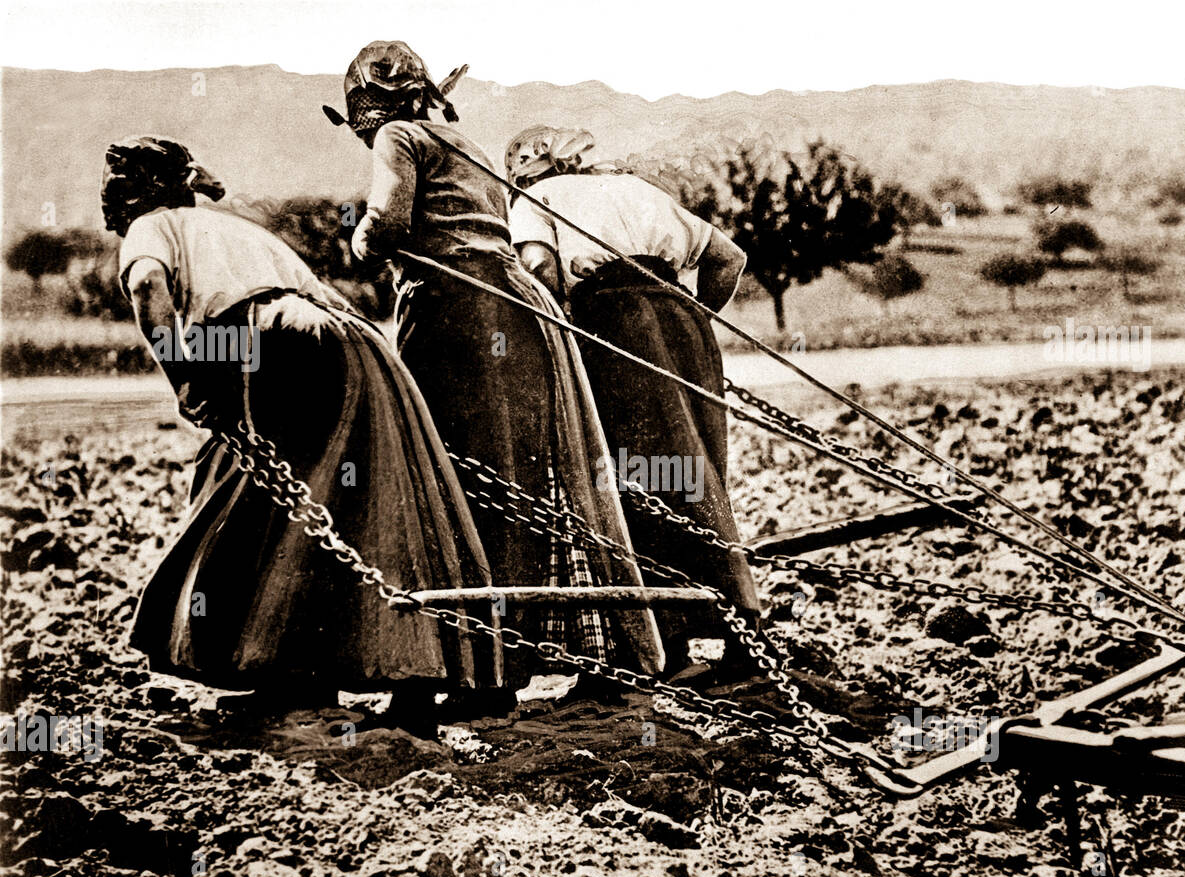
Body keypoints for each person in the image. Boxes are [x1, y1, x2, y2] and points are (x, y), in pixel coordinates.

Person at [105, 135, 504, 715]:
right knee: (367, 500)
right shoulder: (240, 231)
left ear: (135, 199)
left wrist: (184, 377)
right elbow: (320, 304)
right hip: (354, 342)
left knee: (261, 499)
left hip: (272, 340)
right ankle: (409, 677)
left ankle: (287, 671)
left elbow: (147, 286)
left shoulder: (153, 225)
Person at [325, 42, 663, 690]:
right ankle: (520, 656)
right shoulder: (469, 143)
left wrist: (361, 240)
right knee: (521, 482)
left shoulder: (398, 138)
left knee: (455, 480)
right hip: (518, 311)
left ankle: (482, 672)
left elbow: (389, 223)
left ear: (372, 104)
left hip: (456, 314)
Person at [505, 126, 761, 675]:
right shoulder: (636, 188)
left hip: (612, 328)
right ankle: (745, 631)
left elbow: (539, 268)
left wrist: (567, 328)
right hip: (685, 327)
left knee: (637, 479)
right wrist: (689, 318)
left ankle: (670, 644)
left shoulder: (535, 200)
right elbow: (728, 259)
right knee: (697, 472)